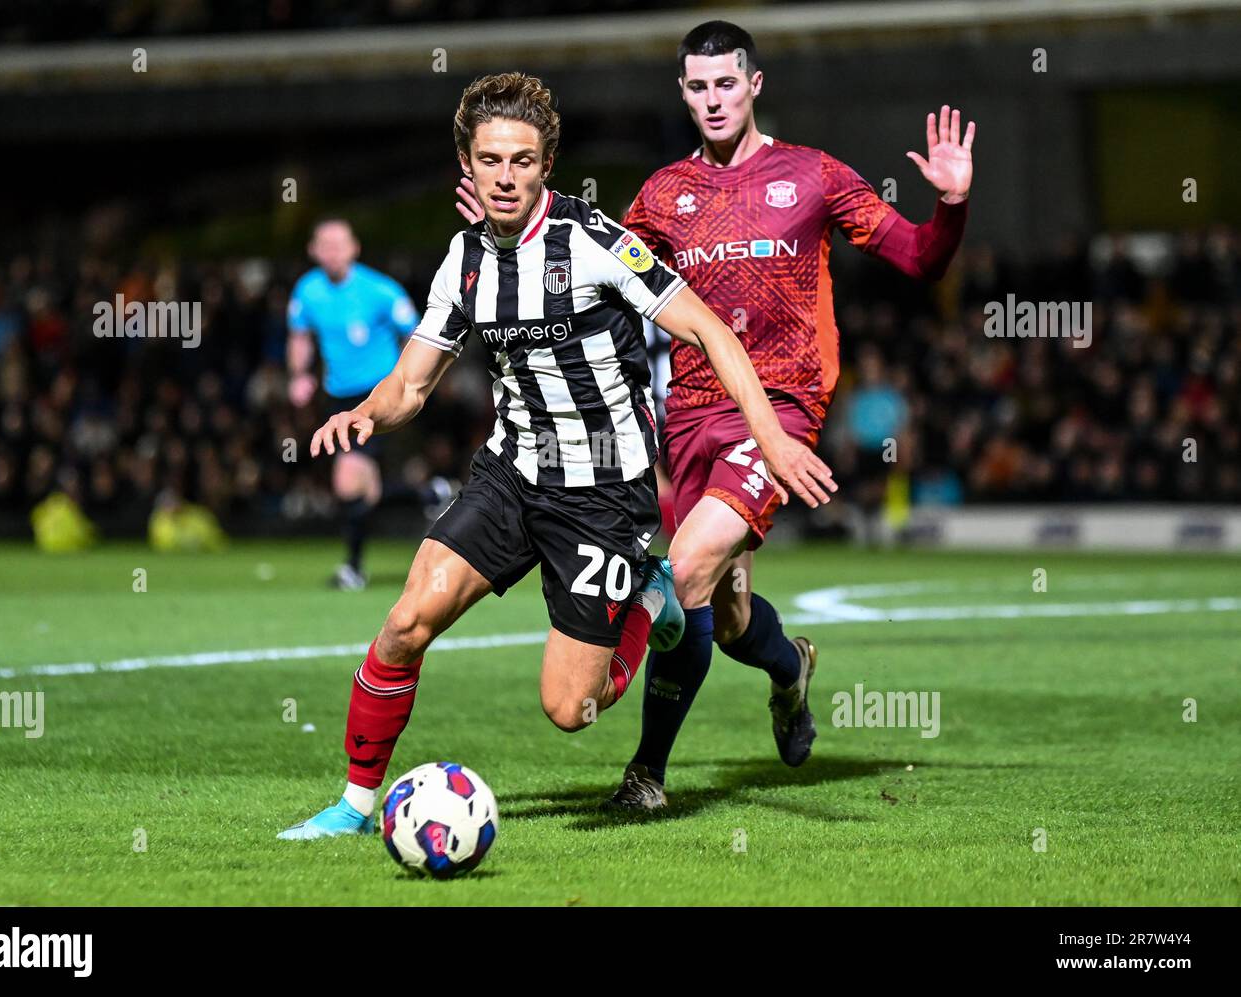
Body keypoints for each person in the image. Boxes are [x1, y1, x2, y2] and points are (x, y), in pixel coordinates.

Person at [278, 71, 835, 839]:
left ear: (546, 166)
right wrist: (364, 414)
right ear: (466, 167)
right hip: (511, 474)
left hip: (603, 492)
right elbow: (409, 385)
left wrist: (770, 436)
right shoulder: (464, 260)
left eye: (522, 160)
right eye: (491, 160)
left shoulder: (596, 243)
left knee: (570, 709)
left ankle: (651, 598)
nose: (506, 176)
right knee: (406, 621)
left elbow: (710, 329)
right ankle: (352, 805)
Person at [455, 19, 974, 809]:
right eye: (697, 87)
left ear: (754, 84)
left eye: (726, 83)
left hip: (782, 408)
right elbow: (586, 271)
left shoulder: (814, 175)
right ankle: (789, 669)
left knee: (686, 569)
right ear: (683, 93)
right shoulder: (663, 195)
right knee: (726, 617)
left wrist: (951, 204)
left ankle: (647, 773)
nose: (712, 99)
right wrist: (504, 233)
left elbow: (920, 257)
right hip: (690, 416)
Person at [288, 218, 447, 590]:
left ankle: (353, 569)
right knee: (367, 491)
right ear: (313, 251)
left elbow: (420, 335)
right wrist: (299, 375)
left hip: (377, 396)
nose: (332, 252)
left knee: (346, 483)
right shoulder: (307, 291)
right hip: (336, 396)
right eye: (324, 245)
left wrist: (412, 384)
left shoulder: (380, 291)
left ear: (354, 248)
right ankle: (429, 494)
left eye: (338, 244)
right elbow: (299, 337)